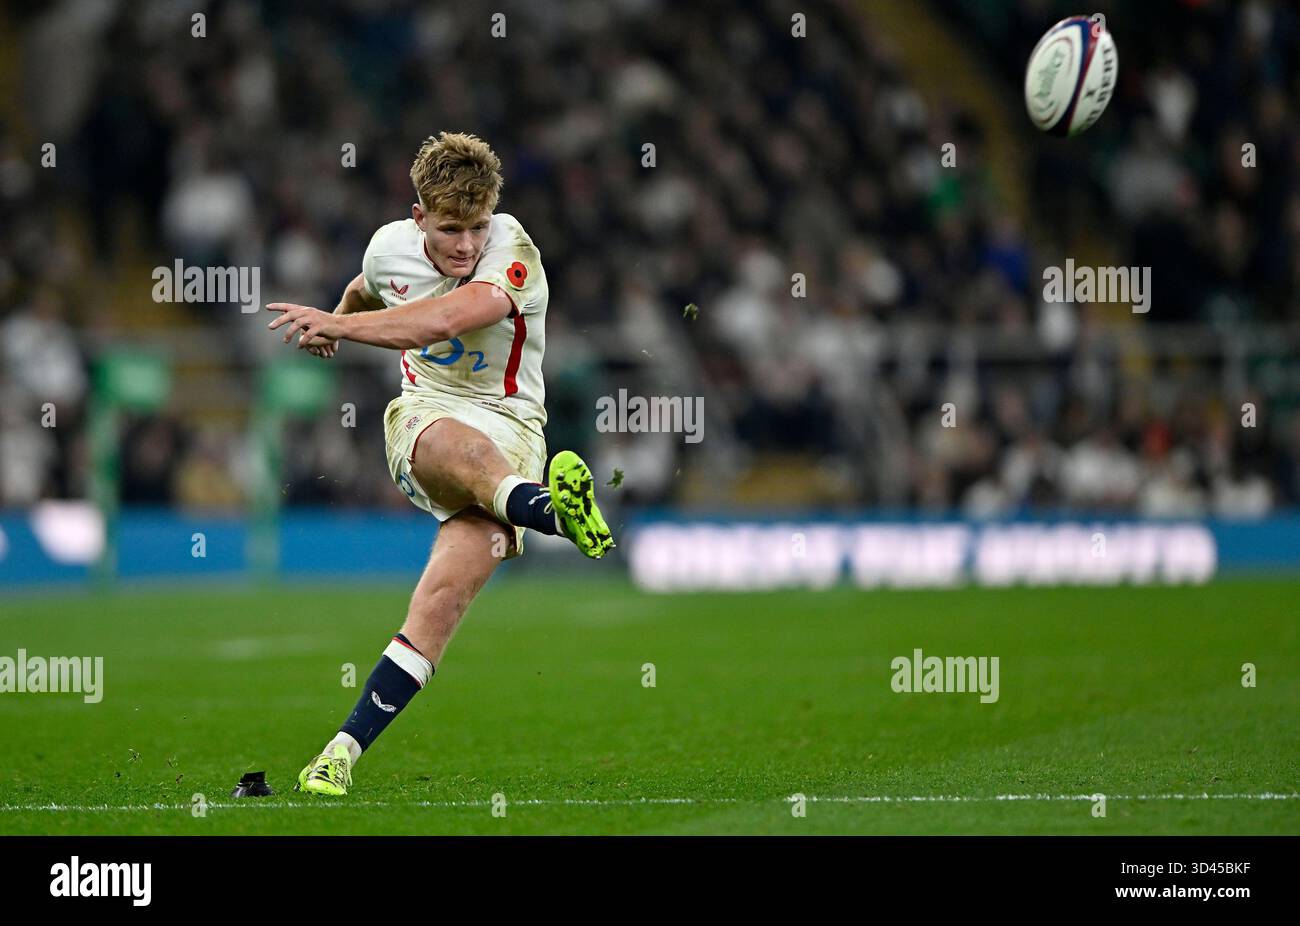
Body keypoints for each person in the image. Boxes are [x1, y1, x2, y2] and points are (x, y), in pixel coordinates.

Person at [266, 131, 614, 796]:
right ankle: (552, 512)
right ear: (418, 217)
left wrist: (336, 326)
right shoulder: (387, 246)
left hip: (514, 430)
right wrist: (338, 318)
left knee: (440, 602)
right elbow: (370, 287)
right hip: (425, 417)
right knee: (458, 444)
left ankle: (337, 754)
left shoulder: (513, 252)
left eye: (476, 227)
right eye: (450, 229)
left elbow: (440, 321)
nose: (465, 245)